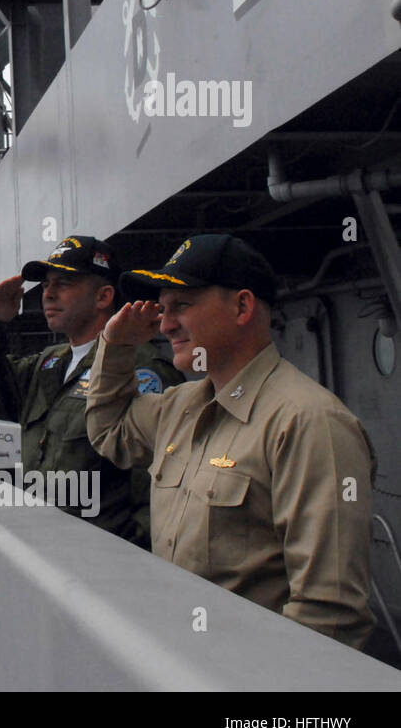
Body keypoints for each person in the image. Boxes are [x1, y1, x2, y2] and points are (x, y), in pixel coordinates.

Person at [86, 233, 376, 649]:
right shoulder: (179, 407)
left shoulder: (308, 422)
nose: (165, 325)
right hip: (176, 657)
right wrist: (115, 345)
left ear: (242, 307)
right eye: (163, 309)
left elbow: (328, 614)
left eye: (181, 305)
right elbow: (109, 431)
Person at [0, 235, 180, 547]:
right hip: (42, 545)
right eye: (46, 285)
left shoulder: (140, 368)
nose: (48, 294)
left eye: (63, 283)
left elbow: (162, 477)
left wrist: (130, 549)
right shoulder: (50, 363)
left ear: (103, 297)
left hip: (101, 556)